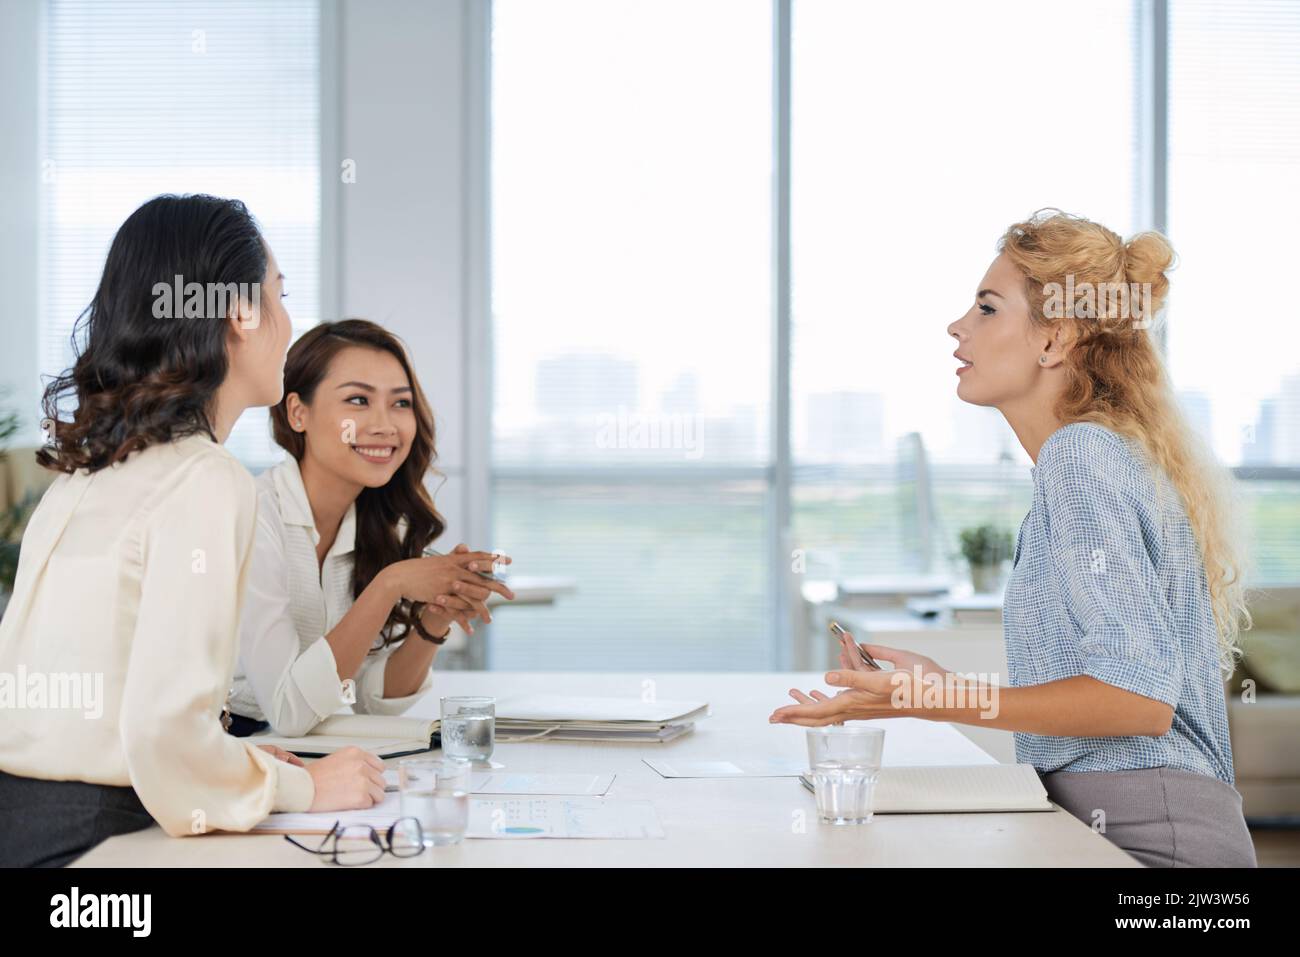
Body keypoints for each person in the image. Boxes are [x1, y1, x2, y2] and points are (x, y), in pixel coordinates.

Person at [771, 209, 1257, 868]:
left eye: (988, 308)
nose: (957, 326)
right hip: (1108, 823)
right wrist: (927, 692)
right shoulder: (1084, 459)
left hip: (1155, 842)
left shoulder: (1082, 455)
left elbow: (1137, 699)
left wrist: (938, 697)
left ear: (1053, 339)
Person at [0, 195, 384, 867]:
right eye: (279, 294)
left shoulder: (86, 476)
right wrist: (306, 783)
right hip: (100, 844)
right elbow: (163, 734)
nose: (289, 324)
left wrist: (230, 763)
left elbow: (123, 718)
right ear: (238, 314)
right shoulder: (206, 478)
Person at [229, 319, 514, 737]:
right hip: (217, 752)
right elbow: (290, 710)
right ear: (297, 412)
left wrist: (434, 619)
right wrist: (389, 585)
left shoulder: (380, 524)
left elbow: (362, 698)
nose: (385, 425)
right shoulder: (254, 514)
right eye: (359, 400)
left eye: (401, 403)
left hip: (299, 750)